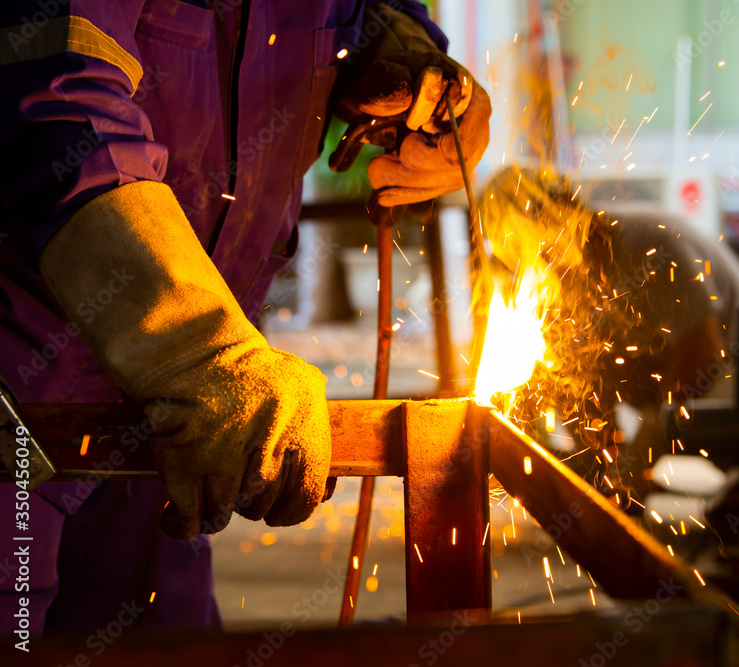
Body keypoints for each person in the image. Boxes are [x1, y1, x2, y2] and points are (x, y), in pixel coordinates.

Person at [0, 1, 490, 635]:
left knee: (162, 638)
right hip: (26, 381)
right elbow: (58, 104)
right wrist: (197, 348)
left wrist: (398, 52)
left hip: (183, 419)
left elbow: (371, 11)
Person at [479, 166, 739, 570]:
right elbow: (583, 366)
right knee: (566, 371)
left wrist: (644, 447)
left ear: (563, 213)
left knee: (673, 430)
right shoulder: (563, 271)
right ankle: (602, 489)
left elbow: (703, 354)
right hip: (675, 359)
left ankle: (717, 503)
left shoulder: (647, 243)